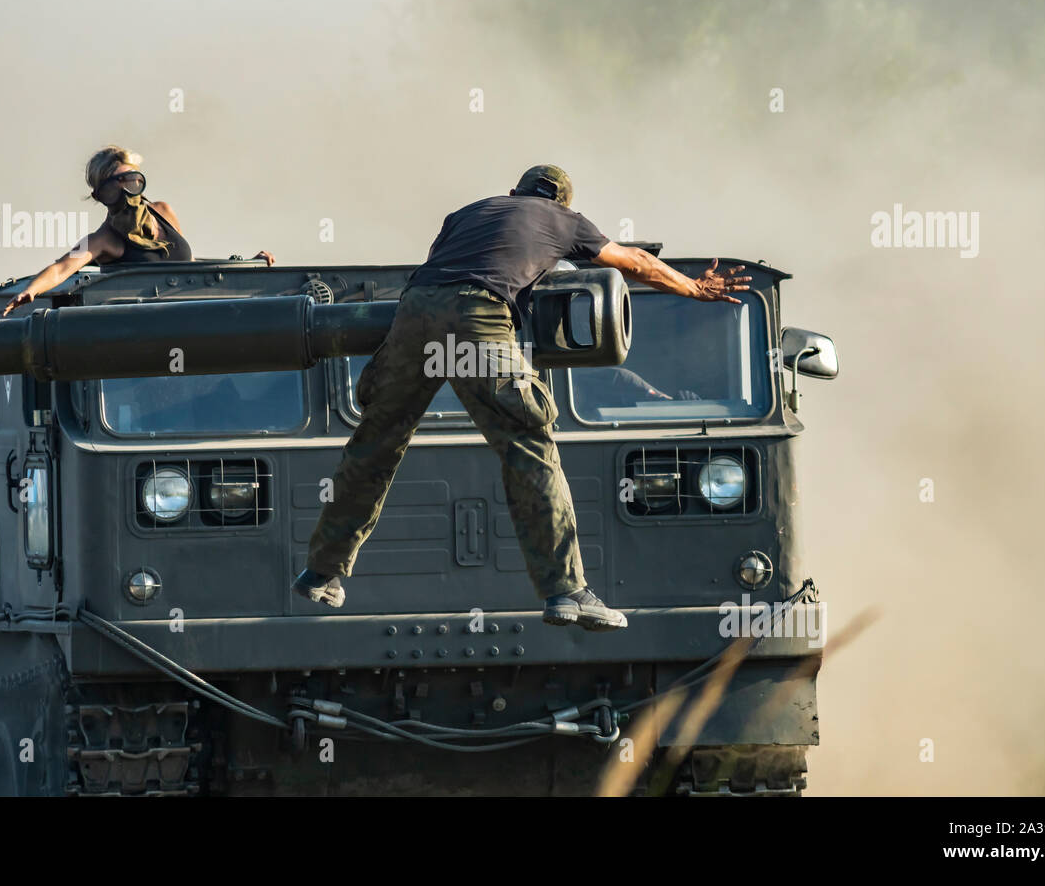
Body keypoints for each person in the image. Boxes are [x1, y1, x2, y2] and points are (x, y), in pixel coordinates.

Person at [293, 164, 751, 631]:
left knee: (375, 444)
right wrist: (695, 287)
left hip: (414, 313)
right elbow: (636, 263)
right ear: (563, 204)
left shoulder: (468, 212)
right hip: (478, 316)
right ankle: (567, 591)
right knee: (528, 446)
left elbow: (444, 266)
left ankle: (322, 571)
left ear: (514, 191)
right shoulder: (565, 221)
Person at [2, 146, 275, 315]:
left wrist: (248, 265)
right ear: (101, 195)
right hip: (147, 335)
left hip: (192, 320)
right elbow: (63, 268)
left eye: (132, 180)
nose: (127, 190)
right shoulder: (102, 240)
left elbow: (188, 269)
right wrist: (32, 291)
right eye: (116, 184)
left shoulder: (164, 211)